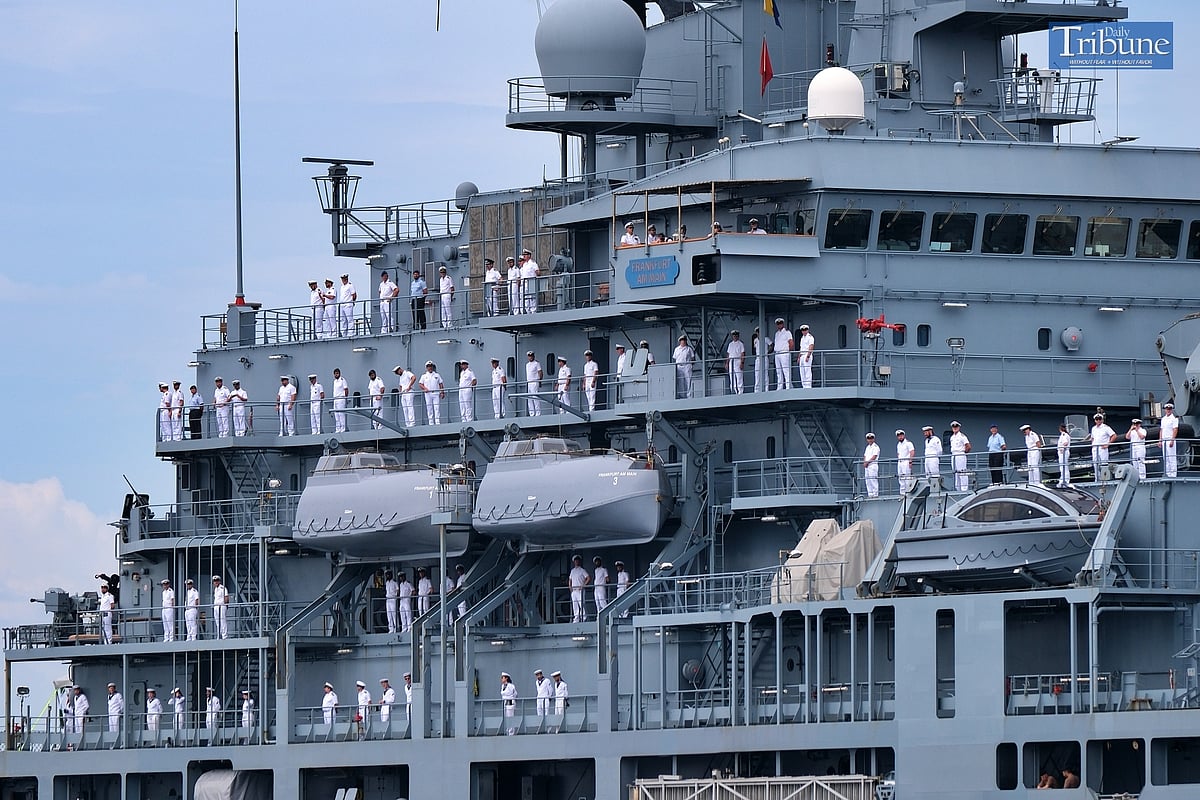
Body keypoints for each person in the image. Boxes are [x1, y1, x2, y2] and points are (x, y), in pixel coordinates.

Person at [1089, 412, 1117, 479]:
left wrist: (1108, 444)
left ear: (1102, 420)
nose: (1098, 420)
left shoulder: (1106, 428)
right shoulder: (1093, 428)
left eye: (1099, 419)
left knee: (1104, 464)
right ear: (1095, 420)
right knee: (1095, 464)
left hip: (1102, 448)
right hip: (1095, 448)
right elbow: (1092, 438)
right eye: (1097, 419)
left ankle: (1105, 479)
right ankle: (1097, 479)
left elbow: (1114, 435)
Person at [772, 318, 794, 391]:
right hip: (777, 353)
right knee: (778, 371)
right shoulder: (776, 334)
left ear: (783, 324)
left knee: (786, 370)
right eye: (778, 324)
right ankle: (780, 387)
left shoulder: (787, 332)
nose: (779, 325)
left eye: (780, 323)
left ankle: (788, 386)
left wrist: (788, 352)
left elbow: (791, 343)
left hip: (784, 353)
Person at [949, 421, 971, 490]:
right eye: (953, 427)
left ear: (959, 427)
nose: (955, 428)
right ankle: (958, 489)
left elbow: (968, 446)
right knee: (955, 473)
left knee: (962, 472)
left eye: (956, 427)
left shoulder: (962, 436)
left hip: (960, 454)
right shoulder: (952, 437)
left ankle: (964, 489)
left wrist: (963, 453)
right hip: (953, 455)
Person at [672, 335, 695, 399]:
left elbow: (693, 357)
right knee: (680, 381)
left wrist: (691, 364)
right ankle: (682, 395)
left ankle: (689, 395)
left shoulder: (689, 349)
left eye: (684, 340)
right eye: (682, 340)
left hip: (687, 366)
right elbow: (675, 358)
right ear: (680, 342)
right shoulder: (676, 349)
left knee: (688, 381)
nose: (683, 342)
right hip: (679, 366)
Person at [569, 554, 590, 623]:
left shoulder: (582, 570)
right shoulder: (572, 571)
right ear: (574, 562)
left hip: (580, 590)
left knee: (581, 604)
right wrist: (570, 586)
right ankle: (576, 618)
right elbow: (570, 579)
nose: (576, 562)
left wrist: (583, 585)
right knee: (575, 605)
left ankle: (584, 617)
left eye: (577, 560)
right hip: (574, 590)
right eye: (575, 560)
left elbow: (588, 578)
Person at [1161, 401, 1179, 478]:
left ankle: (1173, 475)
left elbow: (1175, 429)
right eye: (1167, 409)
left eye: (1169, 409)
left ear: (1171, 410)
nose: (1168, 410)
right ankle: (1167, 474)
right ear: (1165, 410)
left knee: (1172, 458)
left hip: (1170, 439)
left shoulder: (1174, 419)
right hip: (1164, 440)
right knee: (1166, 458)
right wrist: (1160, 440)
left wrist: (1172, 440)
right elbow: (1161, 430)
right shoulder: (1163, 419)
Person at [520, 248, 540, 314]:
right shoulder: (524, 264)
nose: (524, 256)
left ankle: (533, 311)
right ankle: (527, 311)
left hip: (531, 282)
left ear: (529, 255)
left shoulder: (533, 263)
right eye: (523, 255)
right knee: (526, 298)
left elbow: (538, 272)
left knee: (532, 297)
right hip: (525, 283)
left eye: (525, 255)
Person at [726, 330, 745, 394]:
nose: (735, 337)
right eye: (734, 335)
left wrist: (742, 363)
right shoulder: (730, 344)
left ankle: (740, 391)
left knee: (739, 376)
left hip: (738, 361)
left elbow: (743, 353)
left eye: (736, 335)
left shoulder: (741, 344)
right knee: (732, 377)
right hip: (731, 362)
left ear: (738, 336)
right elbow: (728, 354)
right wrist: (727, 363)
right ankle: (734, 391)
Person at [525, 351, 544, 416]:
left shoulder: (536, 363)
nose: (530, 357)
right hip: (529, 382)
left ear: (533, 356)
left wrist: (540, 381)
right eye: (529, 356)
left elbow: (540, 372)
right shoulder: (527, 365)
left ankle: (538, 413)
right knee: (530, 398)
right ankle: (532, 413)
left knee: (535, 397)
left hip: (535, 382)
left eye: (531, 356)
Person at [797, 324, 815, 388]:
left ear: (807, 330)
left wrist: (808, 356)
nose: (804, 331)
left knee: (807, 371)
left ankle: (808, 386)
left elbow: (811, 346)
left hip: (807, 355)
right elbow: (801, 348)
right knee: (802, 372)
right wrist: (799, 357)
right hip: (802, 356)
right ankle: (804, 386)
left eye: (805, 330)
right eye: (803, 330)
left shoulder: (810, 337)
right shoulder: (802, 338)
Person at [863, 433, 880, 498]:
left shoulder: (876, 447)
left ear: (873, 439)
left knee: (873, 480)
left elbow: (874, 456)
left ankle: (875, 494)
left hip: (873, 465)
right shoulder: (867, 447)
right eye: (869, 439)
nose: (870, 440)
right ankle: (870, 494)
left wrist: (867, 462)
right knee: (867, 480)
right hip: (867, 466)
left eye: (871, 438)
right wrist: (864, 462)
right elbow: (865, 455)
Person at [332, 368, 349, 433]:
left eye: (337, 373)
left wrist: (345, 398)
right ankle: (338, 429)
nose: (336, 375)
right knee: (336, 415)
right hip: (335, 399)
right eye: (335, 374)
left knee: (341, 414)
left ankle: (343, 429)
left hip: (341, 399)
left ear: (339, 373)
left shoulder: (342, 380)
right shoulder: (334, 381)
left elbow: (346, 389)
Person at [1056, 423, 1073, 488]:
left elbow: (1065, 442)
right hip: (1064, 452)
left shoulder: (1064, 435)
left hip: (1063, 453)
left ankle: (1065, 480)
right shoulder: (1065, 434)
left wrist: (1062, 448)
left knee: (1063, 467)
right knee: (1063, 466)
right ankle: (1063, 479)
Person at [384, 570, 400, 634]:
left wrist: (396, 596)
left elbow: (398, 590)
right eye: (386, 575)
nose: (387, 576)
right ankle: (391, 628)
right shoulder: (387, 583)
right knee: (389, 614)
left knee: (394, 614)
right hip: (388, 599)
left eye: (388, 574)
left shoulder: (394, 582)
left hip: (393, 599)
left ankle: (396, 628)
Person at [160, 578, 175, 642]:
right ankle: (166, 637)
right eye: (164, 585)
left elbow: (172, 600)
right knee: (165, 624)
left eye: (166, 584)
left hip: (169, 608)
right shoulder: (163, 592)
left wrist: (172, 608)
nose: (165, 586)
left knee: (170, 624)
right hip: (164, 609)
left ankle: (171, 638)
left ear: (168, 584)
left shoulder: (170, 591)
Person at [752, 327, 767, 392]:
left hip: (764, 357)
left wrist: (767, 352)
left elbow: (771, 345)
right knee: (757, 374)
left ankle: (766, 389)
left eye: (759, 331)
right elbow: (755, 348)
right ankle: (756, 390)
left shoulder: (766, 339)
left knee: (765, 374)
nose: (759, 333)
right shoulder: (755, 340)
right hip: (758, 358)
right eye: (757, 332)